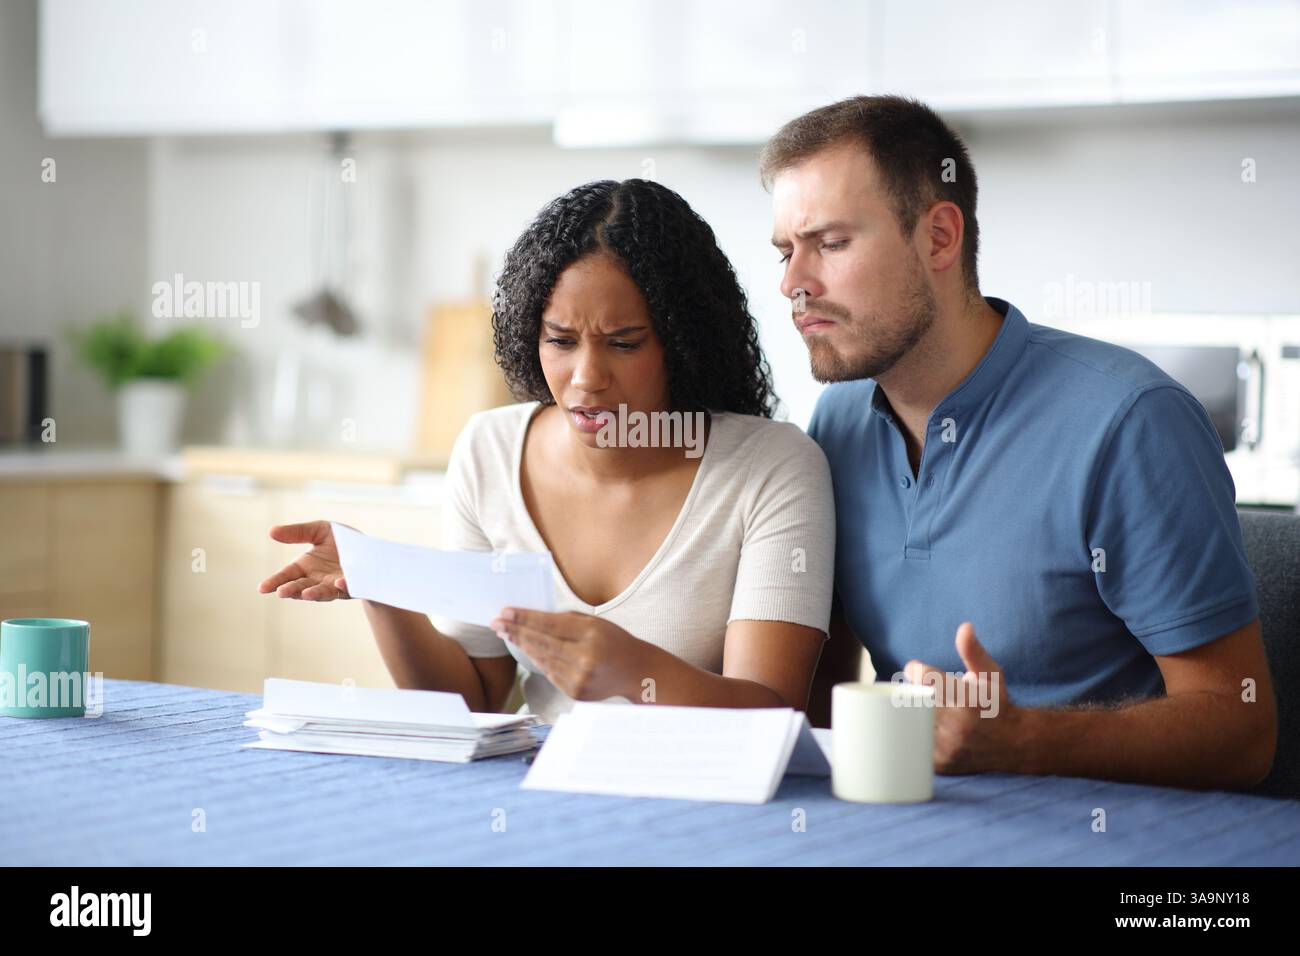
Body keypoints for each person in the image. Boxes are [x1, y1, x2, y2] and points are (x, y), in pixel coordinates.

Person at [764, 95, 1277, 789]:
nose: (794, 284)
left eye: (830, 243)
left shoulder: (1130, 422)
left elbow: (1242, 731)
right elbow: (829, 689)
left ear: (941, 238)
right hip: (916, 823)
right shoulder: (838, 421)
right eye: (785, 253)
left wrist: (1023, 739)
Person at [259, 179, 835, 724]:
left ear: (682, 345)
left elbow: (773, 715)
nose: (586, 378)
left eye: (624, 344)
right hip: (537, 793)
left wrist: (632, 670)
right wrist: (380, 581)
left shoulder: (771, 468)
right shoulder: (490, 451)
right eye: (560, 341)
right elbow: (476, 701)